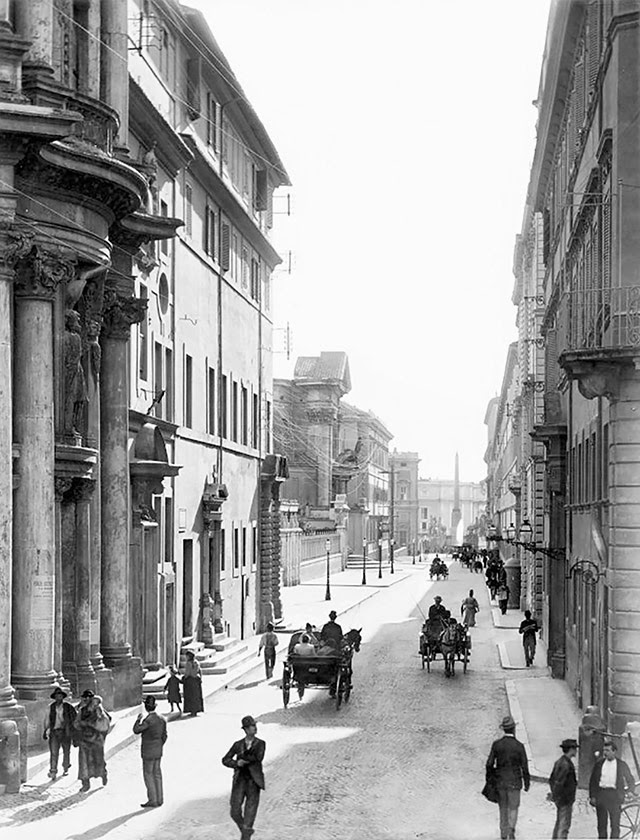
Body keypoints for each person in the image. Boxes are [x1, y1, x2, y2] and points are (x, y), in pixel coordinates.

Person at [486, 714, 530, 840]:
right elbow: (525, 766)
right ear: (514, 729)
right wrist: (527, 783)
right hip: (515, 782)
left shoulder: (497, 745)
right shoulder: (519, 746)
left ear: (504, 729)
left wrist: (491, 778)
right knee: (514, 808)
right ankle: (511, 830)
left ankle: (503, 834)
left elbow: (489, 764)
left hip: (500, 782)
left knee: (503, 808)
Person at [222, 715, 266, 840]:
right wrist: (236, 763)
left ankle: (245, 835)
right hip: (240, 780)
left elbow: (258, 757)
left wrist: (242, 760)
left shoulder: (261, 744)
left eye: (255, 726)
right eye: (252, 726)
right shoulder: (237, 744)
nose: (255, 728)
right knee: (234, 810)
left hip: (253, 780)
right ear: (246, 729)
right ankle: (245, 830)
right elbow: (225, 759)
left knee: (250, 812)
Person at [589, 739, 636, 838]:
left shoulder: (621, 765)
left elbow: (630, 779)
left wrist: (630, 791)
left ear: (614, 751)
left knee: (615, 825)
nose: (605, 753)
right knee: (601, 825)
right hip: (601, 795)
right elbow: (593, 781)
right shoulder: (599, 764)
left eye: (608, 750)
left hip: (615, 797)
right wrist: (593, 796)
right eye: (604, 750)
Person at [133, 695, 167, 808]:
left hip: (148, 751)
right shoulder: (162, 718)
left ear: (146, 707)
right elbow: (165, 736)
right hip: (158, 750)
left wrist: (138, 720)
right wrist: (159, 744)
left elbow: (136, 730)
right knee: (157, 774)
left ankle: (152, 799)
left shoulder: (148, 720)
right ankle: (160, 799)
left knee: (148, 774)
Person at [74, 690, 111, 792]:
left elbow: (104, 723)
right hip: (84, 739)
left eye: (88, 697)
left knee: (98, 760)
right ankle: (85, 783)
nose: (86, 699)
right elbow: (76, 723)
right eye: (84, 697)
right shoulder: (82, 710)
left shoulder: (99, 710)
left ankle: (103, 774)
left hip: (96, 740)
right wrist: (80, 724)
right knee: (84, 762)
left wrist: (91, 724)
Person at [43, 687, 77, 780]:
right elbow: (47, 720)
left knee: (66, 751)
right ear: (54, 697)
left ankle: (66, 767)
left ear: (63, 697)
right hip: (54, 732)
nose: (59, 697)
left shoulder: (68, 707)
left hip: (65, 732)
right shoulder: (51, 707)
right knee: (54, 752)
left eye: (60, 696)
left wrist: (73, 731)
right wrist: (46, 729)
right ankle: (53, 771)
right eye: (57, 696)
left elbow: (74, 719)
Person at [548, 738, 578, 839]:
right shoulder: (566, 764)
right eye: (575, 749)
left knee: (559, 823)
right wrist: (558, 796)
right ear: (571, 749)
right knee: (564, 826)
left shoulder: (560, 761)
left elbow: (551, 780)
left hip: (561, 799)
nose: (576, 751)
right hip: (565, 799)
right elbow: (559, 782)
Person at [182, 650, 204, 716]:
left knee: (190, 696)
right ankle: (196, 710)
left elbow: (187, 673)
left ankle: (191, 710)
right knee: (196, 696)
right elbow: (200, 671)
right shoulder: (197, 662)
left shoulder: (188, 663)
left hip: (190, 681)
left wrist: (184, 678)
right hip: (196, 680)